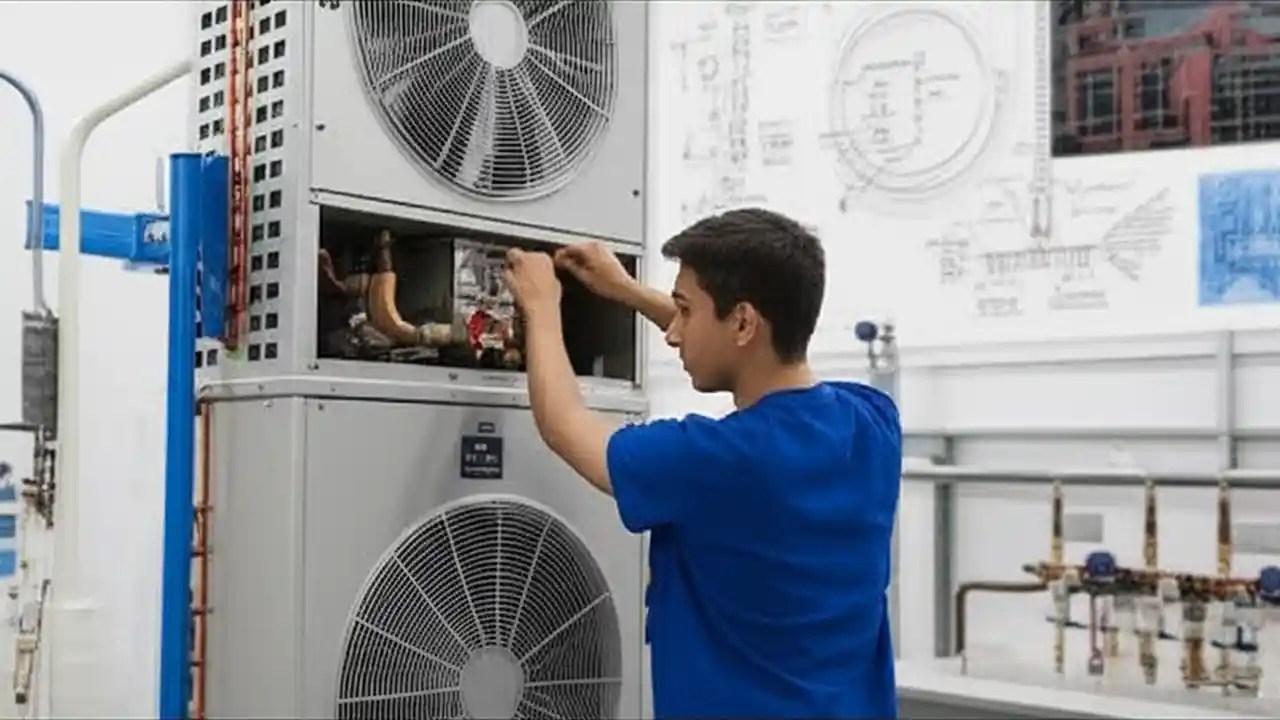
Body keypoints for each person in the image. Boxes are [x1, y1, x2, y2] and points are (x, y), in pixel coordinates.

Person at [503, 207, 901, 719]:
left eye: (686, 312)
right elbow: (753, 349)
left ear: (742, 321)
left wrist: (541, 306)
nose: (674, 333)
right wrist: (626, 291)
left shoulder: (717, 460)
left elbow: (564, 423)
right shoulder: (873, 422)